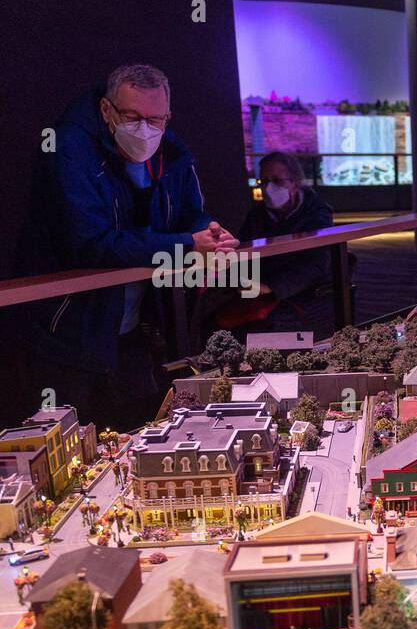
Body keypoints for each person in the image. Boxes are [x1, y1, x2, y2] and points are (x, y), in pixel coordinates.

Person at [9, 63, 239, 429]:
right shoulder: (68, 150)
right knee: (69, 444)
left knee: (147, 429)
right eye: (132, 116)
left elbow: (191, 213)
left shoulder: (173, 151)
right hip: (67, 333)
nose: (145, 129)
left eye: (156, 119)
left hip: (134, 330)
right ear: (106, 109)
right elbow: (91, 245)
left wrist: (209, 232)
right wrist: (186, 245)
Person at [206, 152, 335, 333]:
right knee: (211, 317)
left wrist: (271, 287)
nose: (268, 188)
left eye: (277, 180)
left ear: (295, 183)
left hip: (301, 292)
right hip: (261, 289)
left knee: (244, 326)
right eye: (264, 181)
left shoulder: (316, 214)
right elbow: (244, 253)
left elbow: (316, 265)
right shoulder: (257, 215)